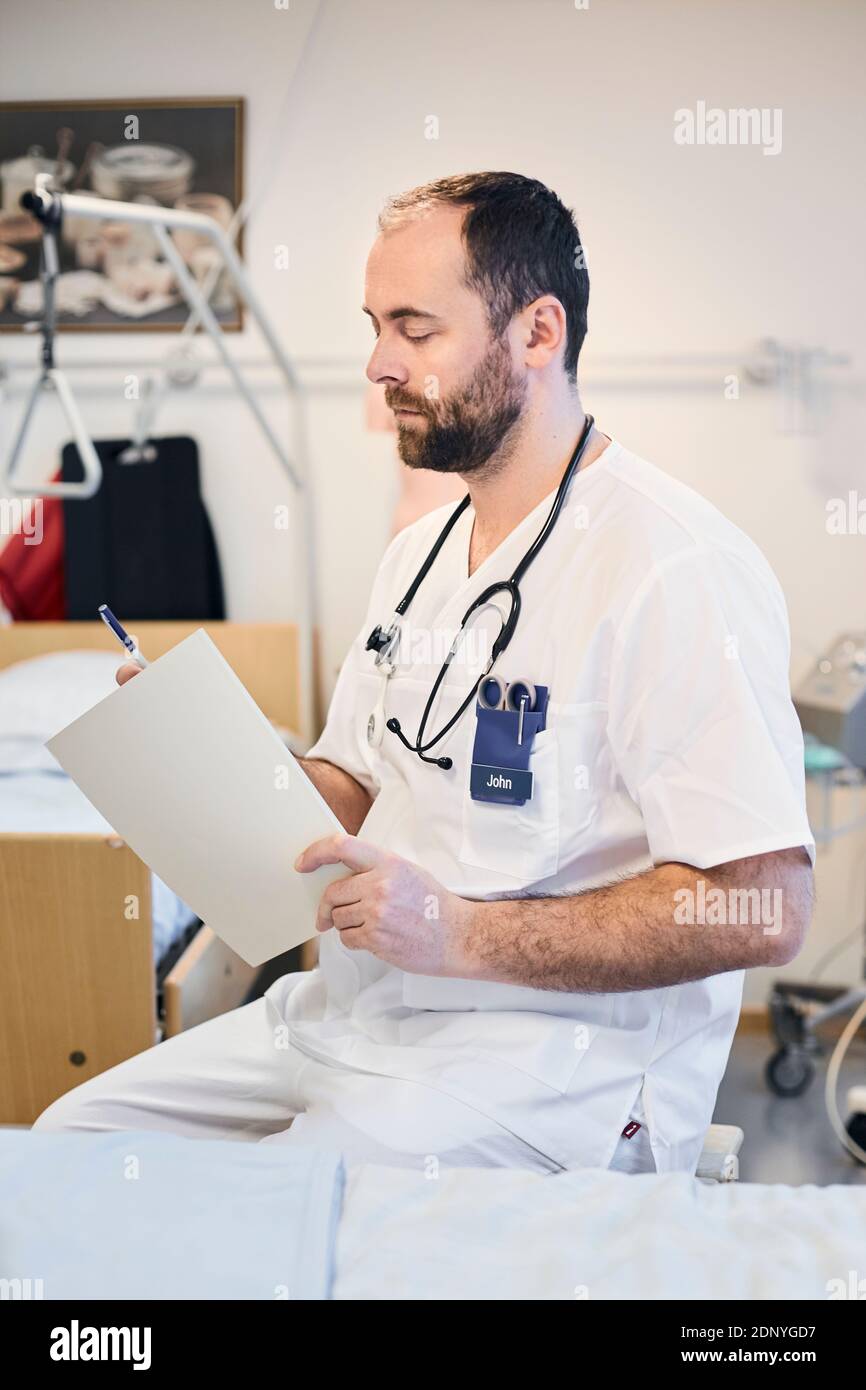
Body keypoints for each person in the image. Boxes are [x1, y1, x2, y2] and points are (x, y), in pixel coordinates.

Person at [34, 172, 815, 1177]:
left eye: (413, 329)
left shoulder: (675, 567)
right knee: (70, 1149)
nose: (375, 364)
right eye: (374, 326)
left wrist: (460, 932)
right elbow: (351, 787)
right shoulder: (417, 554)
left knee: (283, 1212)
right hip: (348, 1016)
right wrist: (202, 762)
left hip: (544, 1061)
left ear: (537, 333)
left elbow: (764, 905)